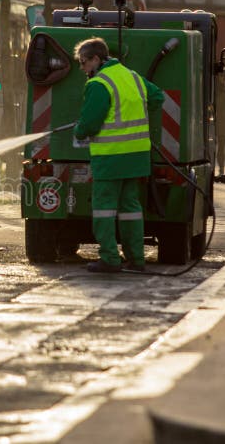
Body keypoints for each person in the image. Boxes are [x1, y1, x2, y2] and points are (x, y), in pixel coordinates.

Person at [72, 38, 164, 273]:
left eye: (83, 63)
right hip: (136, 157)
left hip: (111, 157)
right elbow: (156, 97)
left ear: (95, 59)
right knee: (130, 208)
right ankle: (136, 259)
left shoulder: (98, 84)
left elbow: (90, 124)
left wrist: (80, 128)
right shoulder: (131, 76)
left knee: (104, 208)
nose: (82, 68)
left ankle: (110, 258)